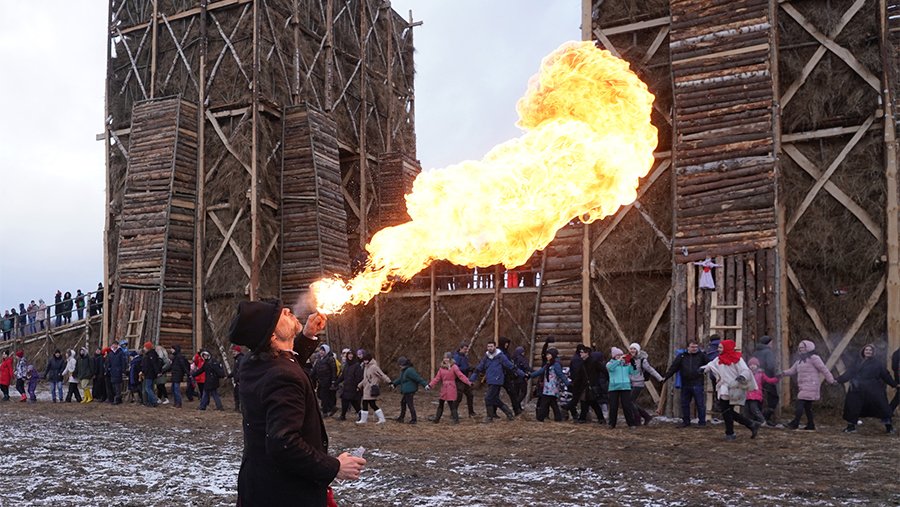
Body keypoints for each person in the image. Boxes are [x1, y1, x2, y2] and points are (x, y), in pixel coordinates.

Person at [228, 300, 365, 505]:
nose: (287, 311)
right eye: (279, 316)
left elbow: (284, 364)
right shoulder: (281, 375)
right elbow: (283, 443)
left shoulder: (253, 363)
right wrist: (334, 467)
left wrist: (307, 335)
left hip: (260, 485)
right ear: (272, 336)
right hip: (285, 493)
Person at [701, 339, 760, 440]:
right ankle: (748, 425)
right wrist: (703, 369)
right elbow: (711, 365)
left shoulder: (737, 359)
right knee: (727, 410)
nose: (718, 349)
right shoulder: (719, 359)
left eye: (720, 347)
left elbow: (745, 370)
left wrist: (742, 376)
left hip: (734, 387)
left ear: (726, 348)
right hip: (724, 388)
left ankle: (733, 432)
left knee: (726, 410)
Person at [836, 344, 899, 434]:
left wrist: (895, 384)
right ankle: (851, 427)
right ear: (863, 351)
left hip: (873, 389)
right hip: (858, 389)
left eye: (870, 350)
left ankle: (889, 427)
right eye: (866, 350)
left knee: (883, 407)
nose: (868, 352)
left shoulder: (877, 364)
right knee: (853, 407)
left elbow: (885, 375)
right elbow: (849, 373)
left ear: (873, 352)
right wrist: (838, 380)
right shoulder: (857, 362)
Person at [780, 340, 836, 430]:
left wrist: (831, 380)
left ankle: (795, 423)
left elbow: (824, 369)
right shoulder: (799, 361)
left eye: (803, 348)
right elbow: (792, 371)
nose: (801, 349)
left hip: (811, 385)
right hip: (803, 386)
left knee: (800, 403)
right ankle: (811, 424)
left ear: (809, 348)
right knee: (807, 407)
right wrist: (782, 373)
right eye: (800, 348)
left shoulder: (814, 358)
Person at [469, 341, 523, 423]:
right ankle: (508, 413)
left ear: (495, 347)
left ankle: (489, 417)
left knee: (488, 398)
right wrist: (472, 378)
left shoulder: (500, 356)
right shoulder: (486, 357)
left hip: (497, 379)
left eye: (491, 346)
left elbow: (510, 366)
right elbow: (479, 368)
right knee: (494, 398)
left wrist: (522, 374)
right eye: (488, 346)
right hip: (490, 380)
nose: (490, 348)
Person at [661, 341, 709, 427]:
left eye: (696, 347)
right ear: (688, 348)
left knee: (700, 403)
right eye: (692, 347)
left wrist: (703, 370)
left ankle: (702, 422)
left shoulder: (701, 356)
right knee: (684, 403)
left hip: (697, 382)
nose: (694, 349)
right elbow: (674, 367)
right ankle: (686, 421)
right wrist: (666, 377)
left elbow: (710, 364)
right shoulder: (682, 356)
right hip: (686, 383)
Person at [428, 352, 472, 424]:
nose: (446, 359)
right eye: (445, 358)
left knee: (451, 404)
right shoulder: (441, 368)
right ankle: (437, 419)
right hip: (444, 387)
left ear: (450, 359)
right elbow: (437, 378)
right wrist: (430, 385)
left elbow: (460, 376)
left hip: (451, 387)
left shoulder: (454, 367)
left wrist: (468, 382)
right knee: (441, 403)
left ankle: (456, 420)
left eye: (447, 358)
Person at [626, 343, 664, 426]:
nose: (632, 350)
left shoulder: (642, 360)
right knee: (631, 402)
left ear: (637, 350)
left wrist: (660, 378)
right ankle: (646, 417)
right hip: (630, 383)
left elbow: (650, 369)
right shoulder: (627, 358)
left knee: (630, 401)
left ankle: (638, 419)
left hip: (638, 383)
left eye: (634, 349)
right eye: (631, 349)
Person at [529, 348, 571, 422]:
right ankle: (558, 418)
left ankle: (540, 418)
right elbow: (540, 371)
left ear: (553, 355)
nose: (547, 356)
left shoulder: (556, 364)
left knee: (544, 403)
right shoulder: (548, 364)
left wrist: (567, 384)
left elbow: (561, 375)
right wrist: (530, 375)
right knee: (553, 404)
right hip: (548, 387)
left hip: (552, 388)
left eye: (548, 355)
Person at [569, 346, 607, 424]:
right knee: (589, 402)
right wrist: (574, 384)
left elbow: (604, 370)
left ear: (587, 353)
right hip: (585, 387)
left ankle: (583, 419)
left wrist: (603, 381)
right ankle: (596, 418)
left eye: (582, 352)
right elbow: (579, 376)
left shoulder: (594, 362)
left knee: (589, 402)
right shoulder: (582, 363)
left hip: (591, 386)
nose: (580, 354)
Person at [390, 356, 428, 424]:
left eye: (400, 365)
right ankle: (401, 418)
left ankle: (414, 419)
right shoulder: (404, 371)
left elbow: (418, 378)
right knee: (403, 403)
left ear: (404, 364)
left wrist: (425, 385)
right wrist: (394, 384)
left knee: (410, 405)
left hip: (410, 391)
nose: (399, 366)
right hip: (406, 391)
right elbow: (400, 379)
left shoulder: (410, 370)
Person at [606, 347, 638, 429]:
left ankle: (631, 423)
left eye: (621, 355)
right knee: (613, 406)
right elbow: (610, 368)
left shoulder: (626, 364)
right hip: (614, 387)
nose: (620, 356)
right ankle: (611, 423)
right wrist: (618, 361)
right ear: (614, 356)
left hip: (625, 386)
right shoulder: (610, 363)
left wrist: (633, 364)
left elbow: (634, 373)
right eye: (617, 355)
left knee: (626, 406)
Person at [357, 351, 391, 424]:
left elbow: (382, 375)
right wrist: (359, 385)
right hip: (366, 388)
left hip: (371, 388)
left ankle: (378, 419)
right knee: (368, 403)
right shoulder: (366, 367)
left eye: (366, 360)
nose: (365, 361)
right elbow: (365, 379)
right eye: (364, 360)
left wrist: (389, 381)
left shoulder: (374, 367)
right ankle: (366, 419)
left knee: (369, 403)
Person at [753, 335, 779, 426]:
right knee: (773, 398)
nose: (772, 344)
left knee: (760, 398)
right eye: (771, 343)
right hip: (767, 377)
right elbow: (770, 365)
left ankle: (758, 417)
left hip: (757, 378)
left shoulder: (756, 352)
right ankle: (765, 417)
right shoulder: (768, 352)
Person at [746, 357, 779, 425]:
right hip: (747, 394)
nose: (752, 366)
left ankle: (762, 420)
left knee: (754, 409)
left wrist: (776, 379)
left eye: (754, 365)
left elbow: (768, 380)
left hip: (756, 394)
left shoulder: (760, 374)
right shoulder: (747, 373)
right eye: (750, 365)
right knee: (748, 409)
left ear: (757, 366)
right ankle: (751, 421)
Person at [498, 337, 523, 415]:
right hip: (499, 375)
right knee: (495, 394)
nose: (507, 345)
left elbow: (509, 364)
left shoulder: (506, 352)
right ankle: (493, 412)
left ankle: (517, 410)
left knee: (512, 393)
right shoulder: (499, 353)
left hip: (506, 376)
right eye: (505, 343)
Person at [312, 344, 338, 417]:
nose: (321, 352)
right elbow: (315, 370)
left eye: (323, 350)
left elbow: (334, 371)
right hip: (320, 380)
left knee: (324, 396)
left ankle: (325, 412)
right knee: (320, 395)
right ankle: (332, 407)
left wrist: (333, 381)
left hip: (327, 381)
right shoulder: (319, 360)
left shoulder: (330, 359)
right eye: (320, 350)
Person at [337, 348, 363, 421]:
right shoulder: (347, 365)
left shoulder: (356, 365)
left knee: (354, 402)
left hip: (353, 387)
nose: (350, 356)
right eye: (349, 354)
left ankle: (361, 415)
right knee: (345, 401)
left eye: (351, 354)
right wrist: (336, 382)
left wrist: (358, 386)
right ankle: (343, 415)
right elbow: (343, 376)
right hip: (346, 386)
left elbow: (359, 377)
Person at [453, 342, 477, 417]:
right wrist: (467, 369)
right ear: (460, 348)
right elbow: (456, 369)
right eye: (465, 349)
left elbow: (465, 366)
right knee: (458, 397)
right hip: (459, 380)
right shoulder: (457, 357)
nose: (466, 350)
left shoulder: (465, 357)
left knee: (470, 395)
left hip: (465, 379)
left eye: (466, 349)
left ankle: (471, 412)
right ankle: (454, 413)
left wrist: (470, 368)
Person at [140, 342, 161, 407]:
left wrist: (143, 371)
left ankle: (155, 400)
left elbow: (150, 365)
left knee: (148, 388)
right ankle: (151, 402)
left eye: (145, 347)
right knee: (150, 388)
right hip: (150, 373)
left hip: (149, 374)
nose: (144, 348)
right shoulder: (151, 354)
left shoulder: (150, 355)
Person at [107, 340, 128, 404]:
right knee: (113, 386)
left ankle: (117, 399)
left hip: (118, 371)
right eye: (113, 344)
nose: (114, 346)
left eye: (115, 344)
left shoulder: (120, 352)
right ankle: (117, 398)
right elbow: (108, 362)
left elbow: (123, 362)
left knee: (117, 386)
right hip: (112, 371)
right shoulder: (110, 353)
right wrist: (108, 368)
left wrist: (123, 370)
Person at [230, 345, 245, 412]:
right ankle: (237, 408)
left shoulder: (240, 359)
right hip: (237, 381)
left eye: (234, 351)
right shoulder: (236, 359)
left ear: (238, 352)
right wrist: (228, 376)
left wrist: (238, 378)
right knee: (236, 395)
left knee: (240, 396)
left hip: (240, 381)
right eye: (233, 351)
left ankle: (242, 409)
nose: (233, 352)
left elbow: (240, 370)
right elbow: (234, 371)